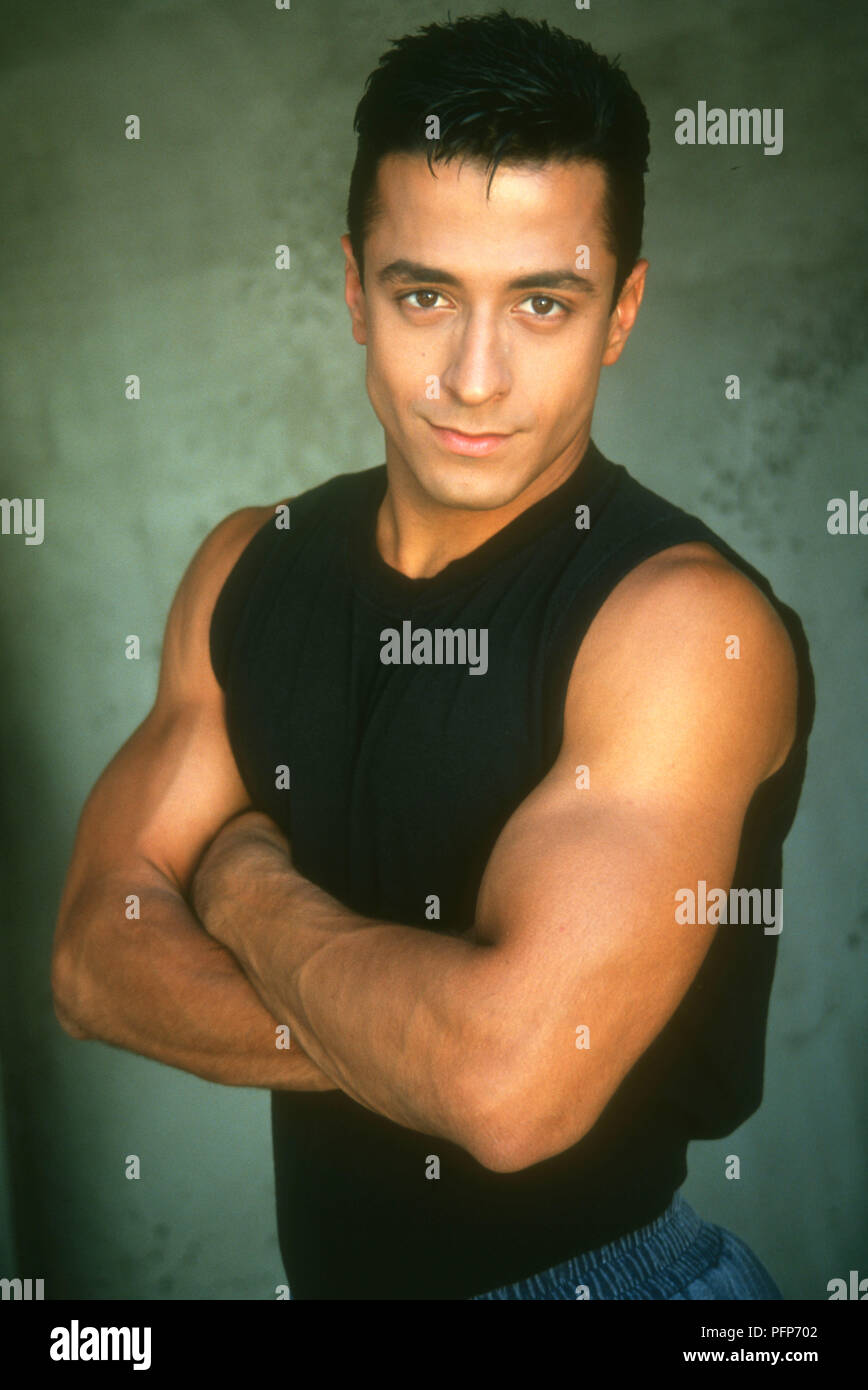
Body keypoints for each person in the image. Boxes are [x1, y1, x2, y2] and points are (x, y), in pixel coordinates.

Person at [52, 11, 814, 1300]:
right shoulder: (252, 568)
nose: (474, 376)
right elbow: (89, 960)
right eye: (425, 296)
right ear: (354, 289)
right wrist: (431, 1032)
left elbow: (507, 1093)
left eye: (544, 303)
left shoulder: (684, 628)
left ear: (621, 311)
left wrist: (239, 885)